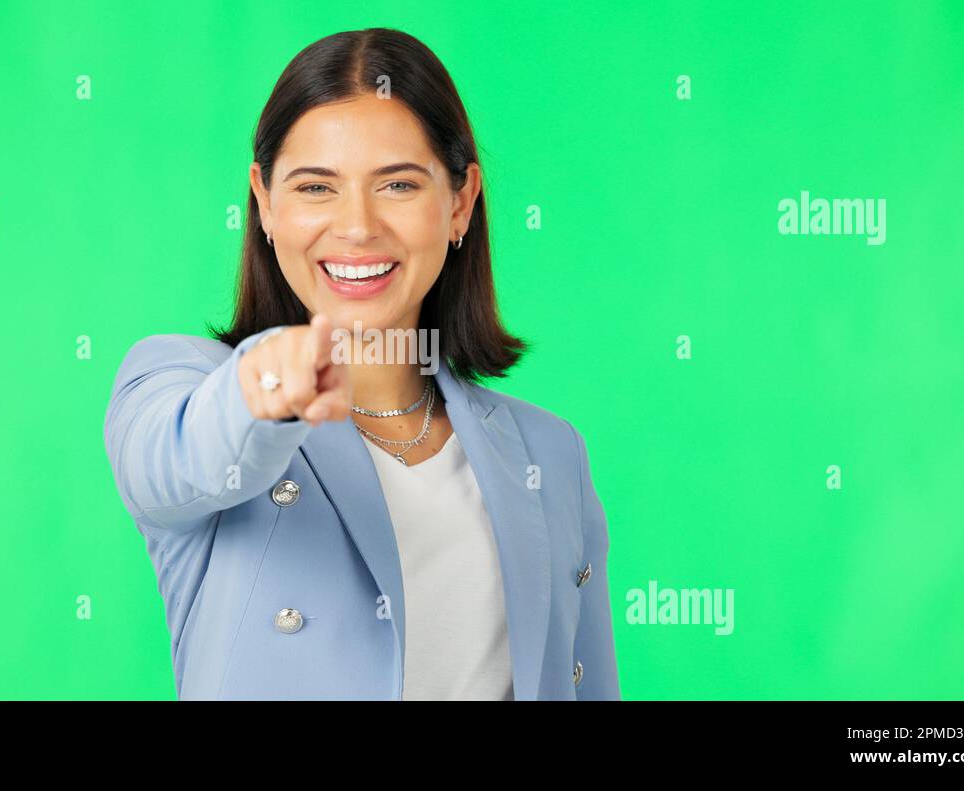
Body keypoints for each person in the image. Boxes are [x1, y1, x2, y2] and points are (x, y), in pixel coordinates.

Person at [103, 27, 619, 700]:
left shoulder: (550, 452)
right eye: (316, 187)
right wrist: (265, 384)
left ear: (460, 202)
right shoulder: (184, 384)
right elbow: (171, 464)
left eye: (398, 184)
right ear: (265, 202)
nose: (357, 227)